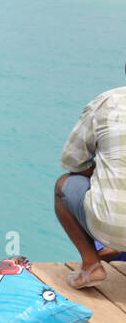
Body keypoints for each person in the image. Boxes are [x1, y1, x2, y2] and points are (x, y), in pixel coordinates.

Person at [55, 79, 126, 287]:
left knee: (63, 186)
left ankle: (91, 265)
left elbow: (73, 163)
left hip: (112, 228)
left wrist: (101, 176)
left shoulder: (107, 102)